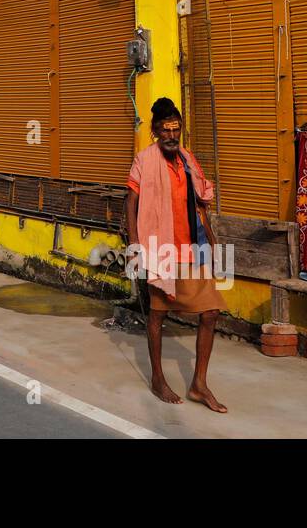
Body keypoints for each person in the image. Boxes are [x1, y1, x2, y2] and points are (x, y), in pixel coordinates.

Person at [124, 97, 227, 413]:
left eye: (176, 130)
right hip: (162, 248)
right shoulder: (144, 160)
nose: (171, 135)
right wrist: (135, 245)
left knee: (210, 312)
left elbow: (201, 198)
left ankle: (199, 384)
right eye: (166, 130)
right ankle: (157, 378)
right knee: (158, 314)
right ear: (155, 131)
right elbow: (130, 204)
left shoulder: (187, 158)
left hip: (193, 248)